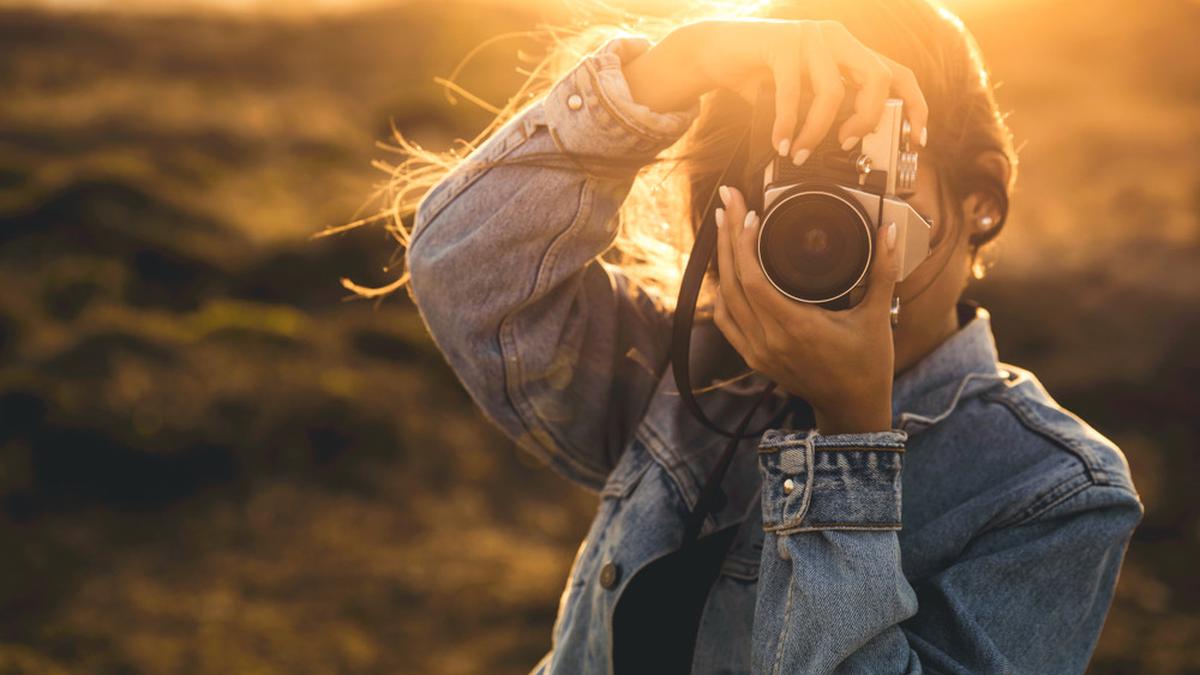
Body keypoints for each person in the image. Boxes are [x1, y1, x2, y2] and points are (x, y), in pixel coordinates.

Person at [389, 1, 1143, 672]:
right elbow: (466, 272)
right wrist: (675, 67)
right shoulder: (689, 368)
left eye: (871, 178)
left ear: (978, 202)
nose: (825, 219)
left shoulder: (1051, 491)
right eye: (796, 181)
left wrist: (851, 434)